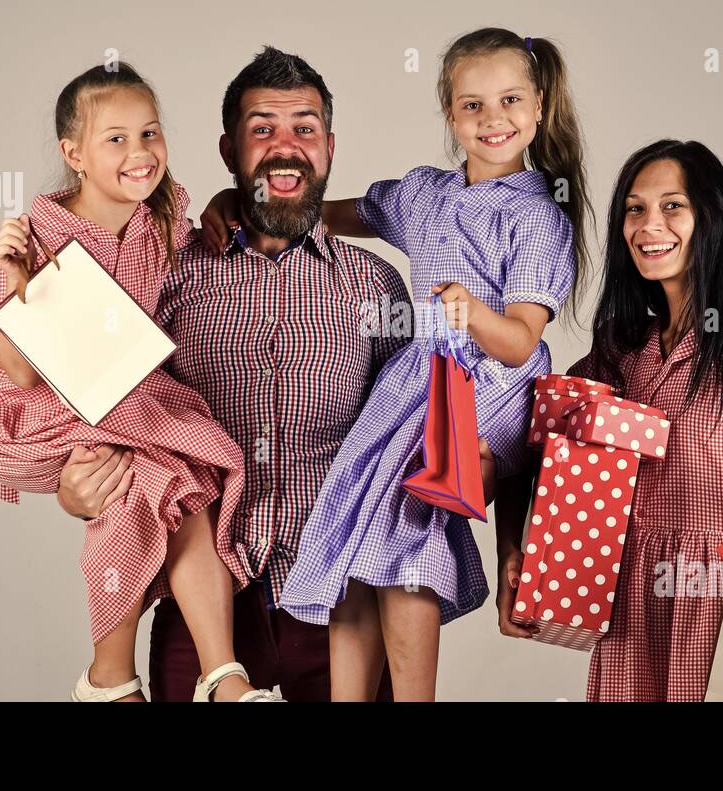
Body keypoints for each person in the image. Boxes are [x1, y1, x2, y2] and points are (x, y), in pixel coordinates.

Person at [57, 46, 501, 701]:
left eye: (306, 127)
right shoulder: (166, 272)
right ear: (227, 148)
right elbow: (114, 424)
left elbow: (416, 443)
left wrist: (473, 467)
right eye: (262, 128)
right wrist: (77, 488)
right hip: (204, 622)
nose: (286, 145)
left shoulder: (377, 287)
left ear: (329, 146)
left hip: (343, 624)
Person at [202, 28, 590, 700]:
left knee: (406, 520)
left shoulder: (536, 215)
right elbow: (327, 210)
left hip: (491, 385)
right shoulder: (423, 194)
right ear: (449, 112)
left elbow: (523, 341)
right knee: (353, 520)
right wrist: (241, 202)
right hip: (422, 380)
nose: (492, 120)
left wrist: (473, 311)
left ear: (538, 107)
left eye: (509, 102)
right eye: (473, 106)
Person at [0, 63, 277, 702]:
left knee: (178, 486)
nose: (140, 153)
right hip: (53, 405)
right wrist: (19, 283)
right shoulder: (32, 235)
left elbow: (192, 259)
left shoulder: (159, 221)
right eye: (116, 139)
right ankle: (134, 672)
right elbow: (15, 372)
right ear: (73, 154)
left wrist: (218, 211)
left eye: (150, 134)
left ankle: (192, 675)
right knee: (148, 476)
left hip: (133, 395)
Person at [494, 139, 723, 701]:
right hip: (630, 603)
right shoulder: (619, 349)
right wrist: (513, 554)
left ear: (712, 219)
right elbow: (521, 433)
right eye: (634, 208)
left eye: (672, 206)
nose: (647, 225)